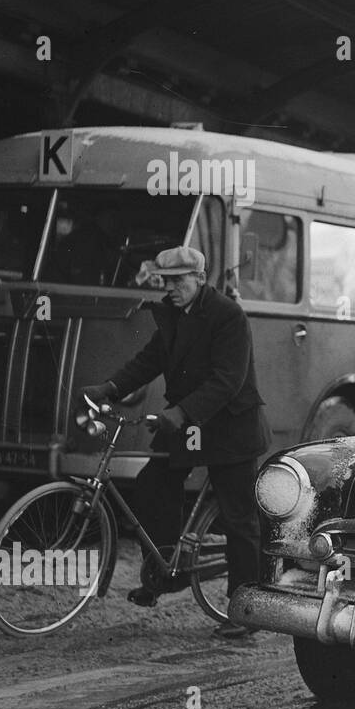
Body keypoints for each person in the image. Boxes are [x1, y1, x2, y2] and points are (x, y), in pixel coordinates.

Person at [80, 246, 271, 640]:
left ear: (200, 279)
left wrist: (181, 413)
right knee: (153, 484)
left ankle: (244, 608)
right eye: (167, 281)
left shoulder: (228, 315)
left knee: (239, 519)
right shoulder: (171, 313)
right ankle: (166, 573)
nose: (172, 288)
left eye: (180, 281)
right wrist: (111, 388)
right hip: (190, 423)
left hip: (231, 426)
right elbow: (149, 361)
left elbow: (227, 379)